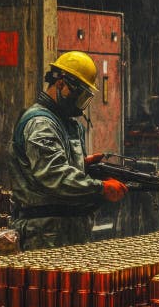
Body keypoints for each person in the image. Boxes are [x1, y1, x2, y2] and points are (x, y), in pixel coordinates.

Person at [9, 51, 128, 250]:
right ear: (61, 84)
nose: (80, 103)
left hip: (67, 231)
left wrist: (82, 164)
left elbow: (58, 165)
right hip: (45, 234)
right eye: (78, 94)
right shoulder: (41, 123)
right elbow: (54, 176)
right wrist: (101, 188)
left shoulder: (67, 124)